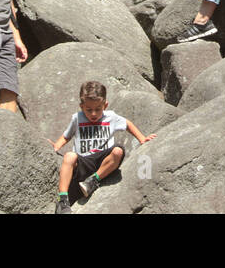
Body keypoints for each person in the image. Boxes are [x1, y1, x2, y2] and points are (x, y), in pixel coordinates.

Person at [52, 80, 155, 212]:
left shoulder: (110, 117)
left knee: (118, 151)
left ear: (105, 105)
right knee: (69, 156)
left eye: (98, 109)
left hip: (103, 161)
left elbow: (127, 124)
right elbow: (66, 136)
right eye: (89, 110)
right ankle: (63, 200)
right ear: (81, 106)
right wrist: (56, 146)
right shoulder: (77, 118)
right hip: (83, 162)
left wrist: (142, 138)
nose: (93, 114)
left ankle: (93, 180)